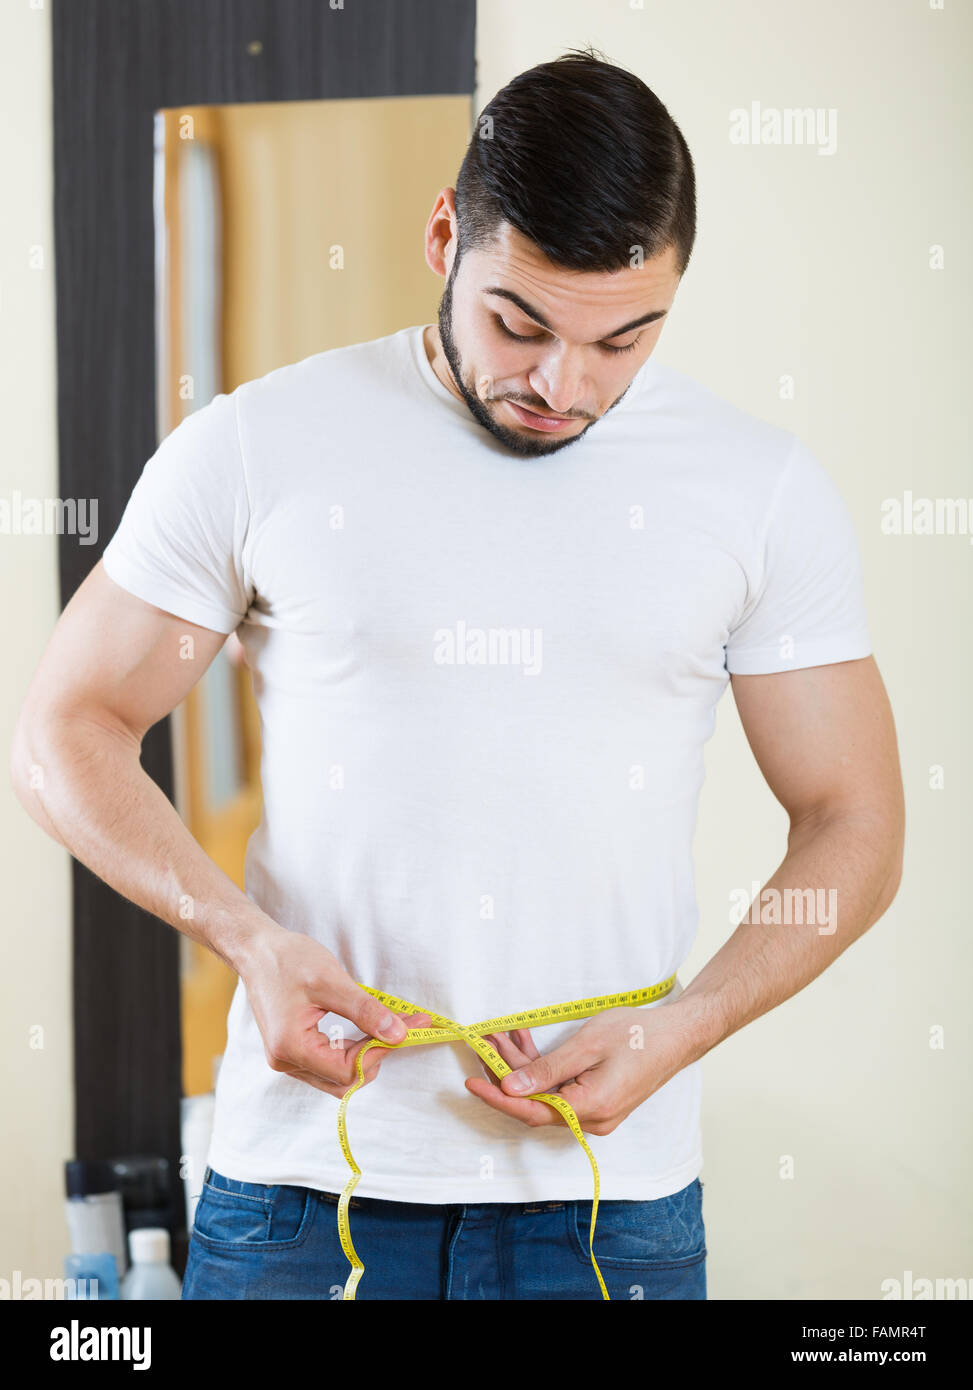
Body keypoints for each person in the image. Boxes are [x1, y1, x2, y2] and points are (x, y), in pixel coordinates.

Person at [11, 49, 904, 1301]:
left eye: (623, 340)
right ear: (445, 235)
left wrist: (685, 1024)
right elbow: (65, 729)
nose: (563, 385)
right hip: (299, 1195)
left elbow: (853, 819)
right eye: (518, 323)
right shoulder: (263, 445)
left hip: (608, 1203)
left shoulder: (755, 490)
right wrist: (242, 939)